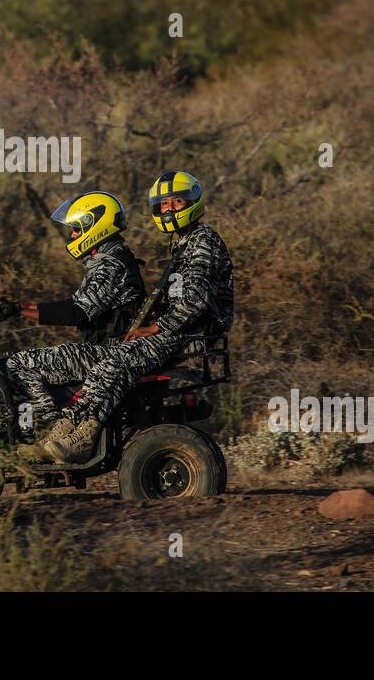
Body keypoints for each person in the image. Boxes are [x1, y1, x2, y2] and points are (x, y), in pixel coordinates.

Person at [40, 170, 234, 464]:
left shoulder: (202, 240)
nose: (169, 209)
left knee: (116, 361)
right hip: (178, 330)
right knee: (110, 355)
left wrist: (155, 327)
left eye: (177, 202)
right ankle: (66, 427)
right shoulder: (183, 240)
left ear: (192, 202)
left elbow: (195, 299)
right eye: (163, 205)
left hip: (187, 333)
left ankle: (84, 436)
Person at [0, 190, 146, 460]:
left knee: (18, 365)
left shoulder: (112, 265)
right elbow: (75, 305)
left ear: (95, 227)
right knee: (18, 361)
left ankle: (51, 433)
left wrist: (16, 310)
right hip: (104, 349)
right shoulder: (107, 259)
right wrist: (13, 309)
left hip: (109, 354)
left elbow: (76, 312)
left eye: (77, 229)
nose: (73, 236)